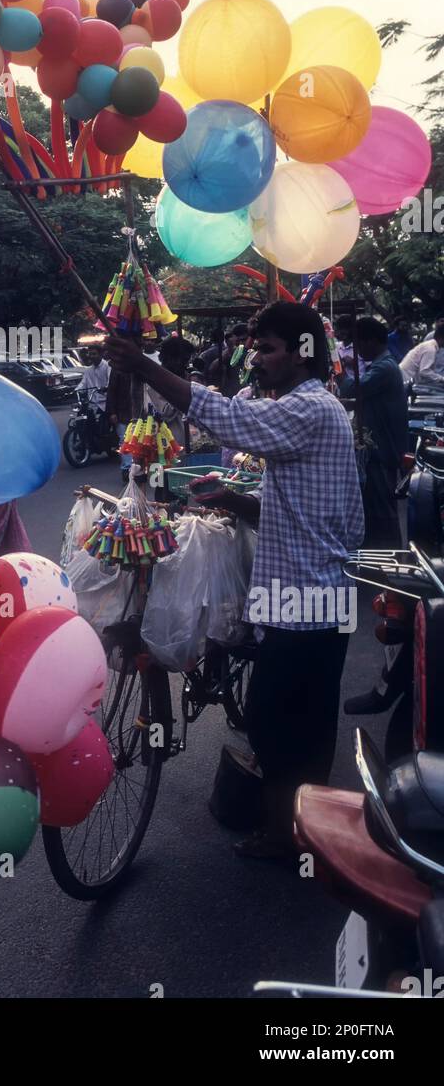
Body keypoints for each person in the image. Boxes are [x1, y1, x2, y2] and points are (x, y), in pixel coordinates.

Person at [107, 301, 364, 860]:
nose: (257, 359)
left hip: (308, 601)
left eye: (268, 348)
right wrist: (231, 500)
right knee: (308, 720)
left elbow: (229, 419)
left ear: (302, 352)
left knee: (277, 724)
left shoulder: (310, 409)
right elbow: (290, 504)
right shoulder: (315, 410)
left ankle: (287, 839)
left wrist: (146, 366)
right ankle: (303, 832)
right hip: (316, 594)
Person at [339, 317, 408, 549]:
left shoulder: (384, 368)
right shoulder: (381, 365)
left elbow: (352, 388)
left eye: (358, 344)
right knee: (377, 502)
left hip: (383, 448)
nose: (357, 351)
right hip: (379, 446)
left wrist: (338, 367)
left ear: (370, 341)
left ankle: (389, 559)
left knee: (383, 504)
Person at [105, 334, 148, 481]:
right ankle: (127, 469)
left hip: (142, 413)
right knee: (124, 441)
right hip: (123, 411)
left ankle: (141, 469)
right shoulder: (118, 369)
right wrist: (112, 412)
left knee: (143, 441)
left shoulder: (144, 367)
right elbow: (111, 390)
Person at [399, 318, 444, 388]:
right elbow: (424, 371)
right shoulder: (430, 349)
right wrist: (441, 379)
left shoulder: (430, 345)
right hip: (405, 379)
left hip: (407, 378)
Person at [78, 345, 110, 432]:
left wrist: (105, 388)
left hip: (105, 403)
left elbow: (110, 382)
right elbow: (83, 383)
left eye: (94, 354)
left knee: (101, 427)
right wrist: (77, 390)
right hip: (92, 403)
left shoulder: (107, 367)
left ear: (101, 354)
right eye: (90, 354)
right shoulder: (88, 370)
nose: (91, 356)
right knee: (81, 419)